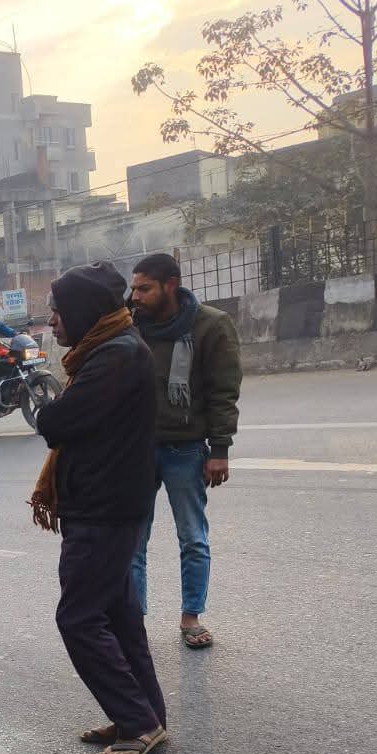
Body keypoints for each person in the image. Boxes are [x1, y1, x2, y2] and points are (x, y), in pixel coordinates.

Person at [30, 264, 166, 754]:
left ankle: (137, 721)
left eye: (59, 313)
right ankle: (146, 714)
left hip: (105, 510)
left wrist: (50, 402)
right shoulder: (111, 351)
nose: (54, 323)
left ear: (86, 311)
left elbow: (56, 421)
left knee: (79, 618)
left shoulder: (114, 357)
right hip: (110, 504)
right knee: (119, 617)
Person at [129, 253, 242, 649]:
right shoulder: (129, 326)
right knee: (132, 541)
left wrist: (220, 449)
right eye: (134, 288)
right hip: (136, 450)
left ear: (170, 286)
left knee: (193, 538)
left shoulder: (210, 326)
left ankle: (191, 617)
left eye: (145, 288)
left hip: (187, 448)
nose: (136, 295)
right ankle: (133, 621)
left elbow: (223, 391)